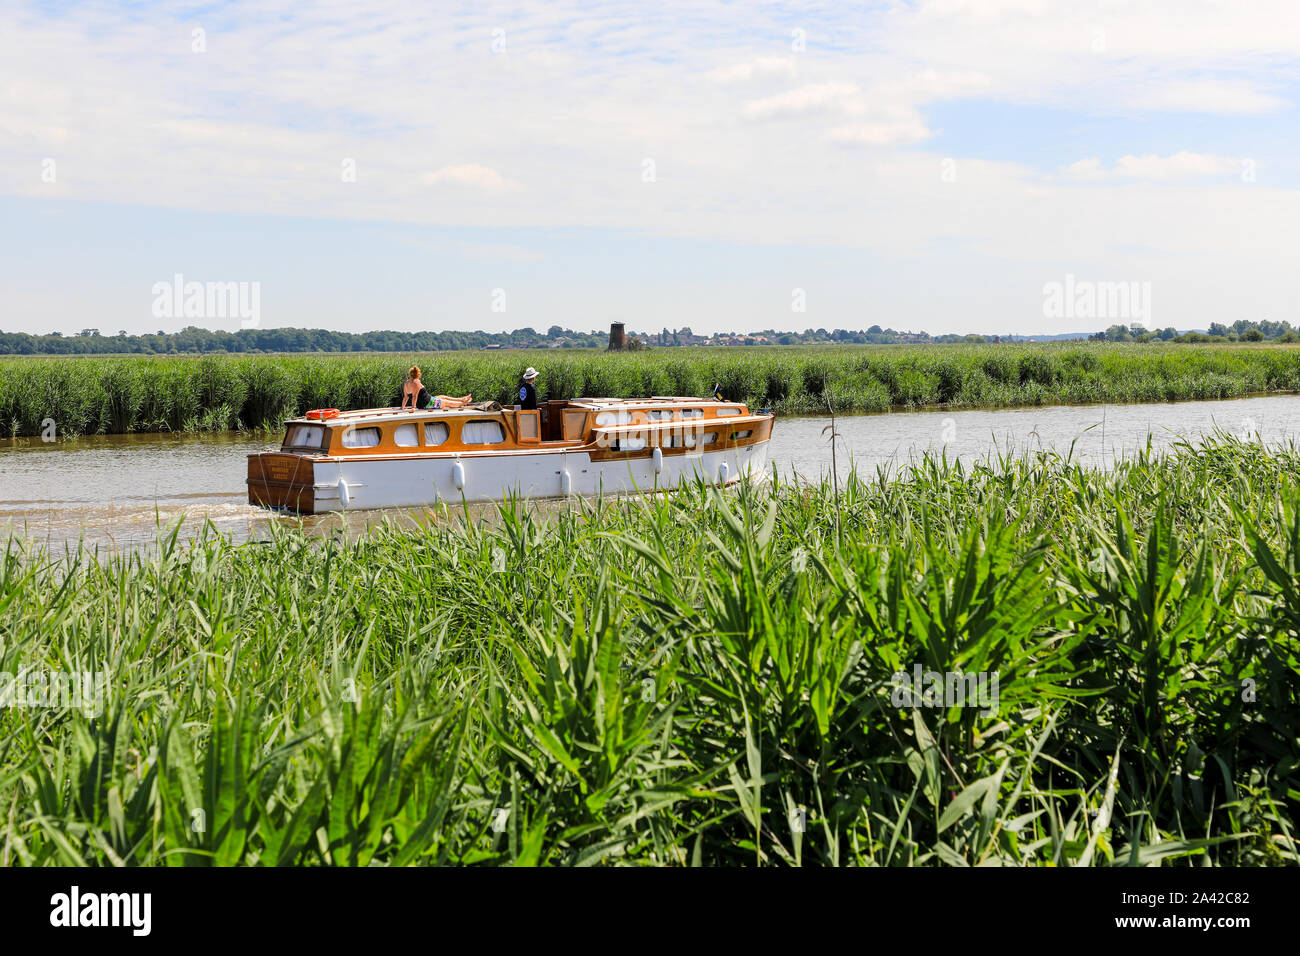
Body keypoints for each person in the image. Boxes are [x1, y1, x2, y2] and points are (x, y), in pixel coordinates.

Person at [401, 366, 471, 412]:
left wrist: (402, 407)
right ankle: (463, 403)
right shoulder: (417, 382)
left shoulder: (406, 383)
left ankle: (461, 399)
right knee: (446, 402)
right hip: (427, 403)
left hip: (426, 401)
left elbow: (406, 397)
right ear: (418, 374)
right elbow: (414, 396)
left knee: (443, 396)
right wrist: (413, 408)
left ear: (411, 374)